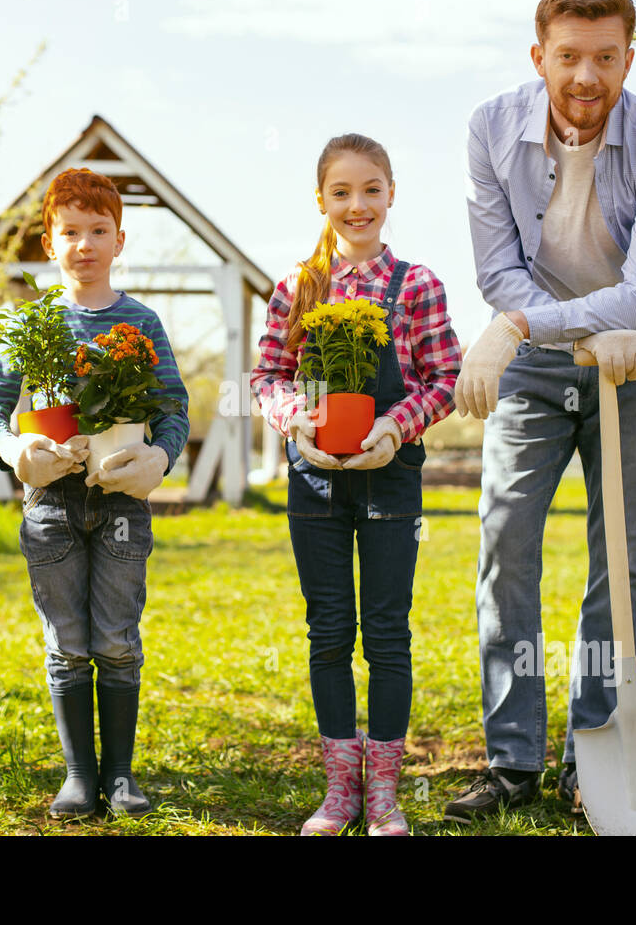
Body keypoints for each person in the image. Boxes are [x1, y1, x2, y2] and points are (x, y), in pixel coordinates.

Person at [444, 0, 636, 823]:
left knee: (624, 554)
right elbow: (498, 269)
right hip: (534, 354)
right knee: (506, 538)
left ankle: (594, 748)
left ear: (628, 58)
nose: (586, 76)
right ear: (538, 56)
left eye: (605, 57)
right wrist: (544, 333)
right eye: (568, 56)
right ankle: (512, 761)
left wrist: (540, 325)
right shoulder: (490, 130)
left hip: (634, 355)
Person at [252, 133, 462, 835]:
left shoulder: (417, 286)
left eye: (371, 189)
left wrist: (395, 428)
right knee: (329, 631)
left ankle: (385, 796)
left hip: (390, 479)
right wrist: (295, 420)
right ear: (321, 201)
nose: (357, 204)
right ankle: (341, 789)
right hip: (315, 482)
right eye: (341, 192)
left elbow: (445, 380)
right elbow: (267, 377)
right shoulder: (296, 289)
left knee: (388, 633)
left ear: (391, 194)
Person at [0, 168, 189, 819]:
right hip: (53, 505)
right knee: (67, 641)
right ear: (49, 242)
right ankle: (78, 777)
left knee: (116, 640)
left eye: (99, 231)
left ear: (120, 241)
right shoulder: (31, 324)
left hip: (122, 503)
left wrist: (160, 454)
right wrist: (15, 451)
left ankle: (120, 778)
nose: (85, 244)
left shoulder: (142, 323)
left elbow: (173, 407)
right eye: (70, 232)